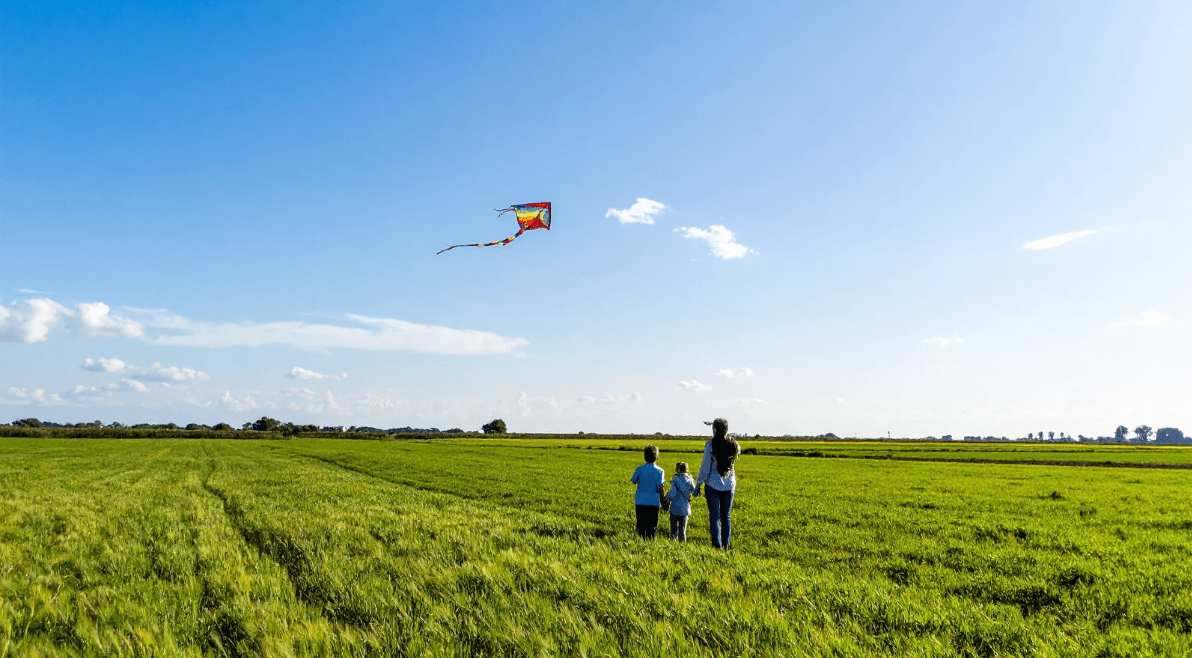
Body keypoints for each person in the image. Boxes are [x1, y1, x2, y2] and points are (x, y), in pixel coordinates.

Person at [695, 418, 740, 549]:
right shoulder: (734, 445)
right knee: (726, 517)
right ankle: (725, 545)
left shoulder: (710, 446)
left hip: (712, 484)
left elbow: (705, 468)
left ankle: (717, 546)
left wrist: (698, 485)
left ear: (714, 429)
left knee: (714, 517)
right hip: (729, 485)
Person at [630, 444, 665, 538]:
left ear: (644, 457)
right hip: (654, 502)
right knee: (652, 526)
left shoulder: (639, 469)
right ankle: (650, 541)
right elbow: (660, 487)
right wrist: (663, 501)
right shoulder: (660, 471)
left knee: (641, 525)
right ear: (656, 457)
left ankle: (641, 541)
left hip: (640, 501)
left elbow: (634, 480)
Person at [664, 461, 697, 541]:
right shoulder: (689, 480)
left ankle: (673, 543)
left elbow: (673, 493)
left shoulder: (675, 479)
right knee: (682, 530)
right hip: (685, 508)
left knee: (673, 530)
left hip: (675, 507)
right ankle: (682, 544)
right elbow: (695, 493)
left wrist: (665, 498)